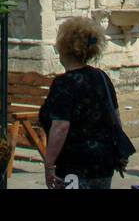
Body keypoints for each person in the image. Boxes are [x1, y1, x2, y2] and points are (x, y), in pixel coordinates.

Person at [39, 16, 127, 190]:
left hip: (74, 164)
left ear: (65, 48)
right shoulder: (102, 77)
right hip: (103, 162)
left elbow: (61, 126)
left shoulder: (64, 83)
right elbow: (115, 117)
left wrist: (49, 165)